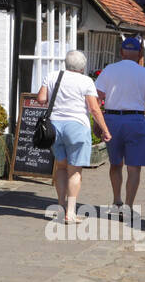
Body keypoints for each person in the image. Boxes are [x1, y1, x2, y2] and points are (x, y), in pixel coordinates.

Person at [36, 50, 112, 224]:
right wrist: (105, 130)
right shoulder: (86, 81)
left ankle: (61, 208)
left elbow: (41, 99)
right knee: (75, 170)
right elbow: (94, 108)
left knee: (61, 167)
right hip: (77, 126)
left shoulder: (53, 75)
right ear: (83, 66)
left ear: (66, 63)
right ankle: (71, 213)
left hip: (55, 126)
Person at [94, 36, 145, 218]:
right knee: (134, 167)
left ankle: (117, 200)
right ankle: (128, 206)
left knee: (115, 163)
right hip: (135, 120)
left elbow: (97, 99)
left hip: (112, 119)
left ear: (121, 52)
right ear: (140, 53)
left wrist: (97, 123)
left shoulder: (109, 70)